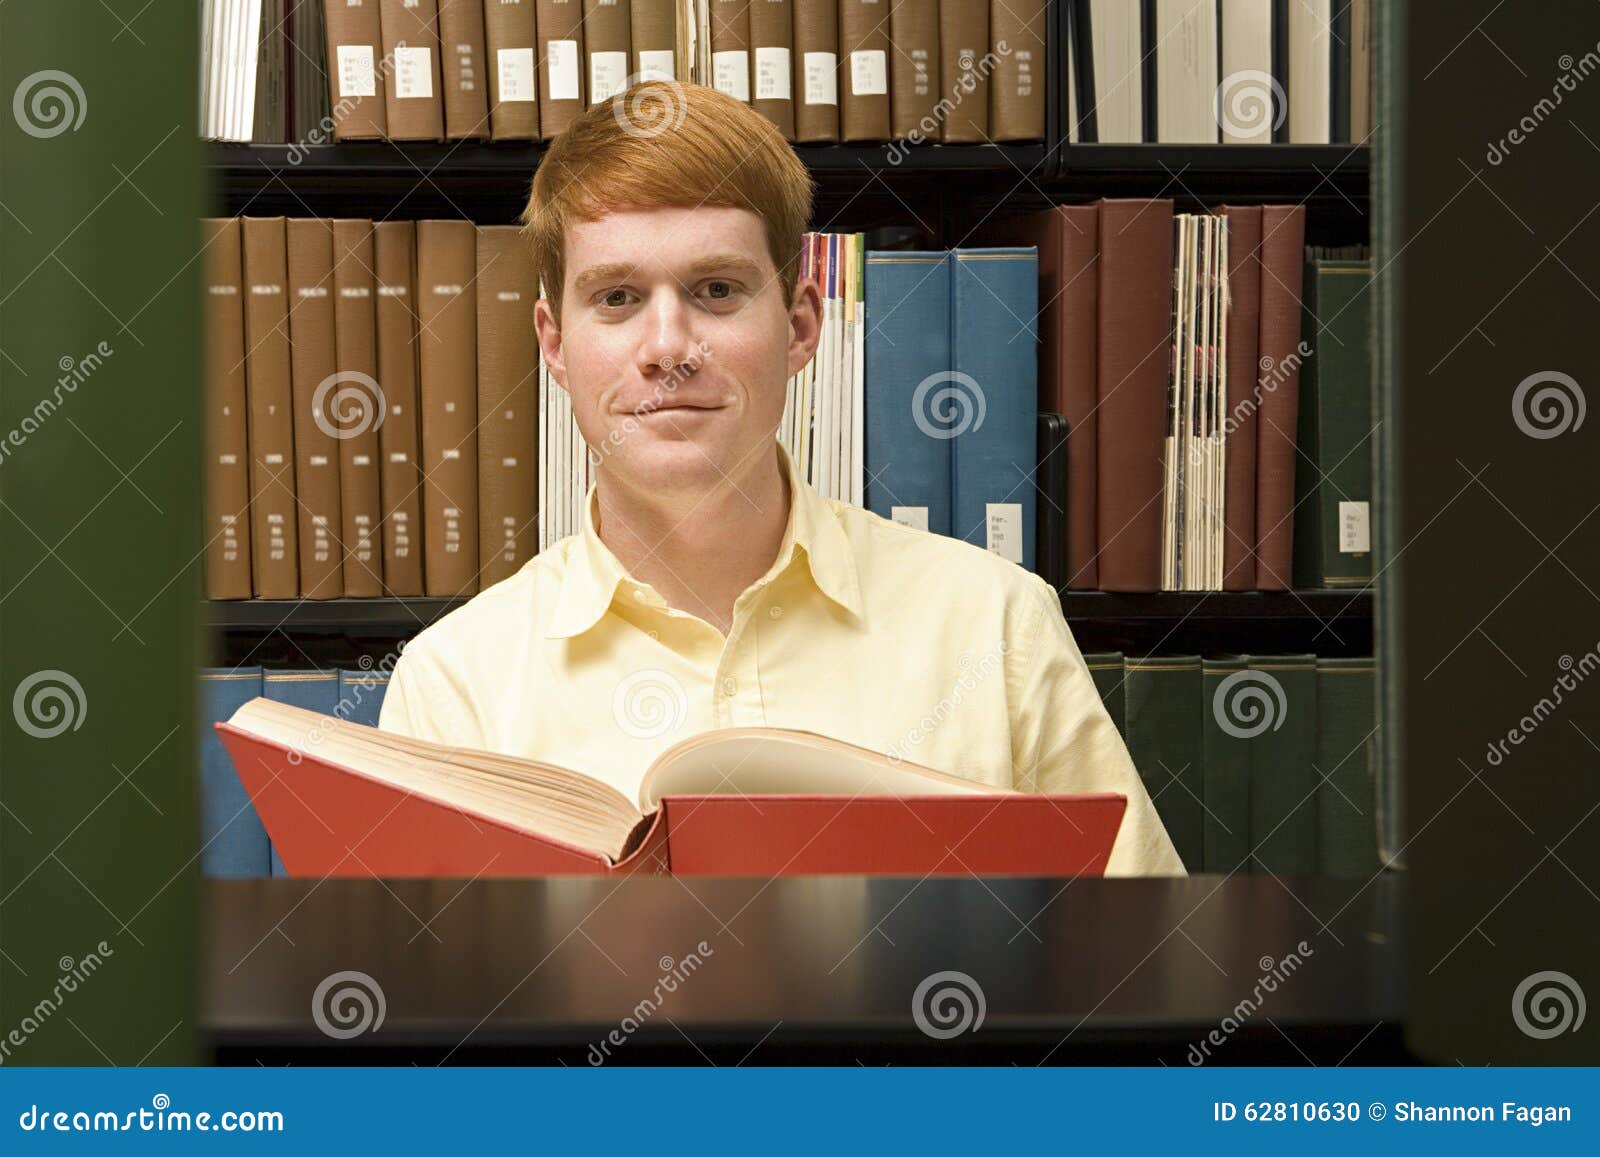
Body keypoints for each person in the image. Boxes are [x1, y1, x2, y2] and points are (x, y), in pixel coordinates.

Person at [379, 81, 1183, 876]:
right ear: (554, 345)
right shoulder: (452, 686)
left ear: (801, 326)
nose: (668, 346)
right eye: (617, 297)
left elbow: (1145, 969)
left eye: (717, 290)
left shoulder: (997, 626)